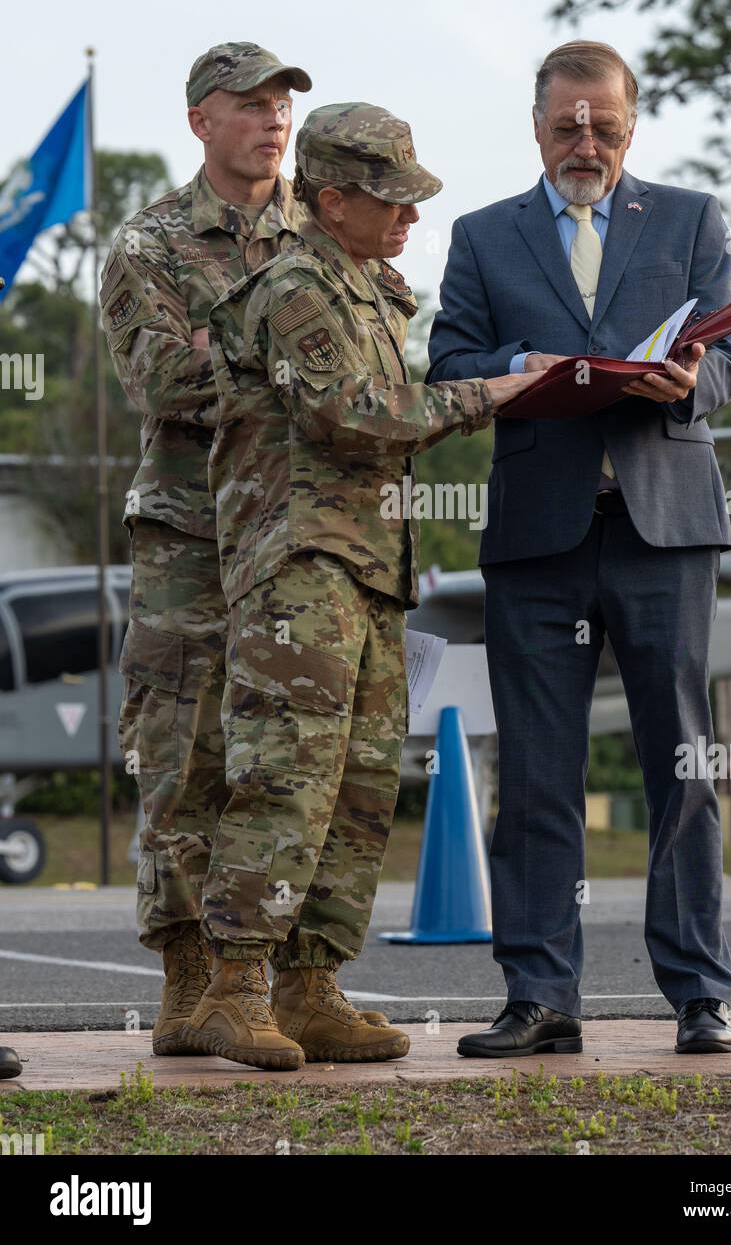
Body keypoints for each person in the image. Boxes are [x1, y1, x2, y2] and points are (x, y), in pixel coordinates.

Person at [184, 103, 540, 1069]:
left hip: (371, 569)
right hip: (300, 568)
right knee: (286, 780)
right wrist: (495, 391)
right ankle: (236, 988)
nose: (412, 219)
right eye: (392, 200)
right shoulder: (296, 286)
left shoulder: (367, 287)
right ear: (330, 199)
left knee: (361, 787)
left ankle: (310, 988)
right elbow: (357, 413)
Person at [426, 40, 731, 1058]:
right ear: (535, 125)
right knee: (535, 773)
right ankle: (539, 995)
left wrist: (688, 381)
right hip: (538, 539)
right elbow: (448, 361)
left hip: (664, 528)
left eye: (602, 123)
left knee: (682, 766)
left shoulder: (693, 220)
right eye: (566, 121)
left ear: (630, 125)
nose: (584, 140)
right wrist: (523, 368)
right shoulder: (483, 236)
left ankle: (700, 991)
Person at [99, 42, 311, 1055]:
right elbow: (167, 386)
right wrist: (298, 363)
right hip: (191, 535)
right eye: (250, 104)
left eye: (280, 104)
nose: (272, 120)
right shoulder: (149, 244)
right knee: (180, 751)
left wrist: (230, 348)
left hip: (303, 533)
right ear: (201, 121)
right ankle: (188, 971)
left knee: (289, 757)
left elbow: (372, 365)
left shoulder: (324, 230)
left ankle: (264, 982)